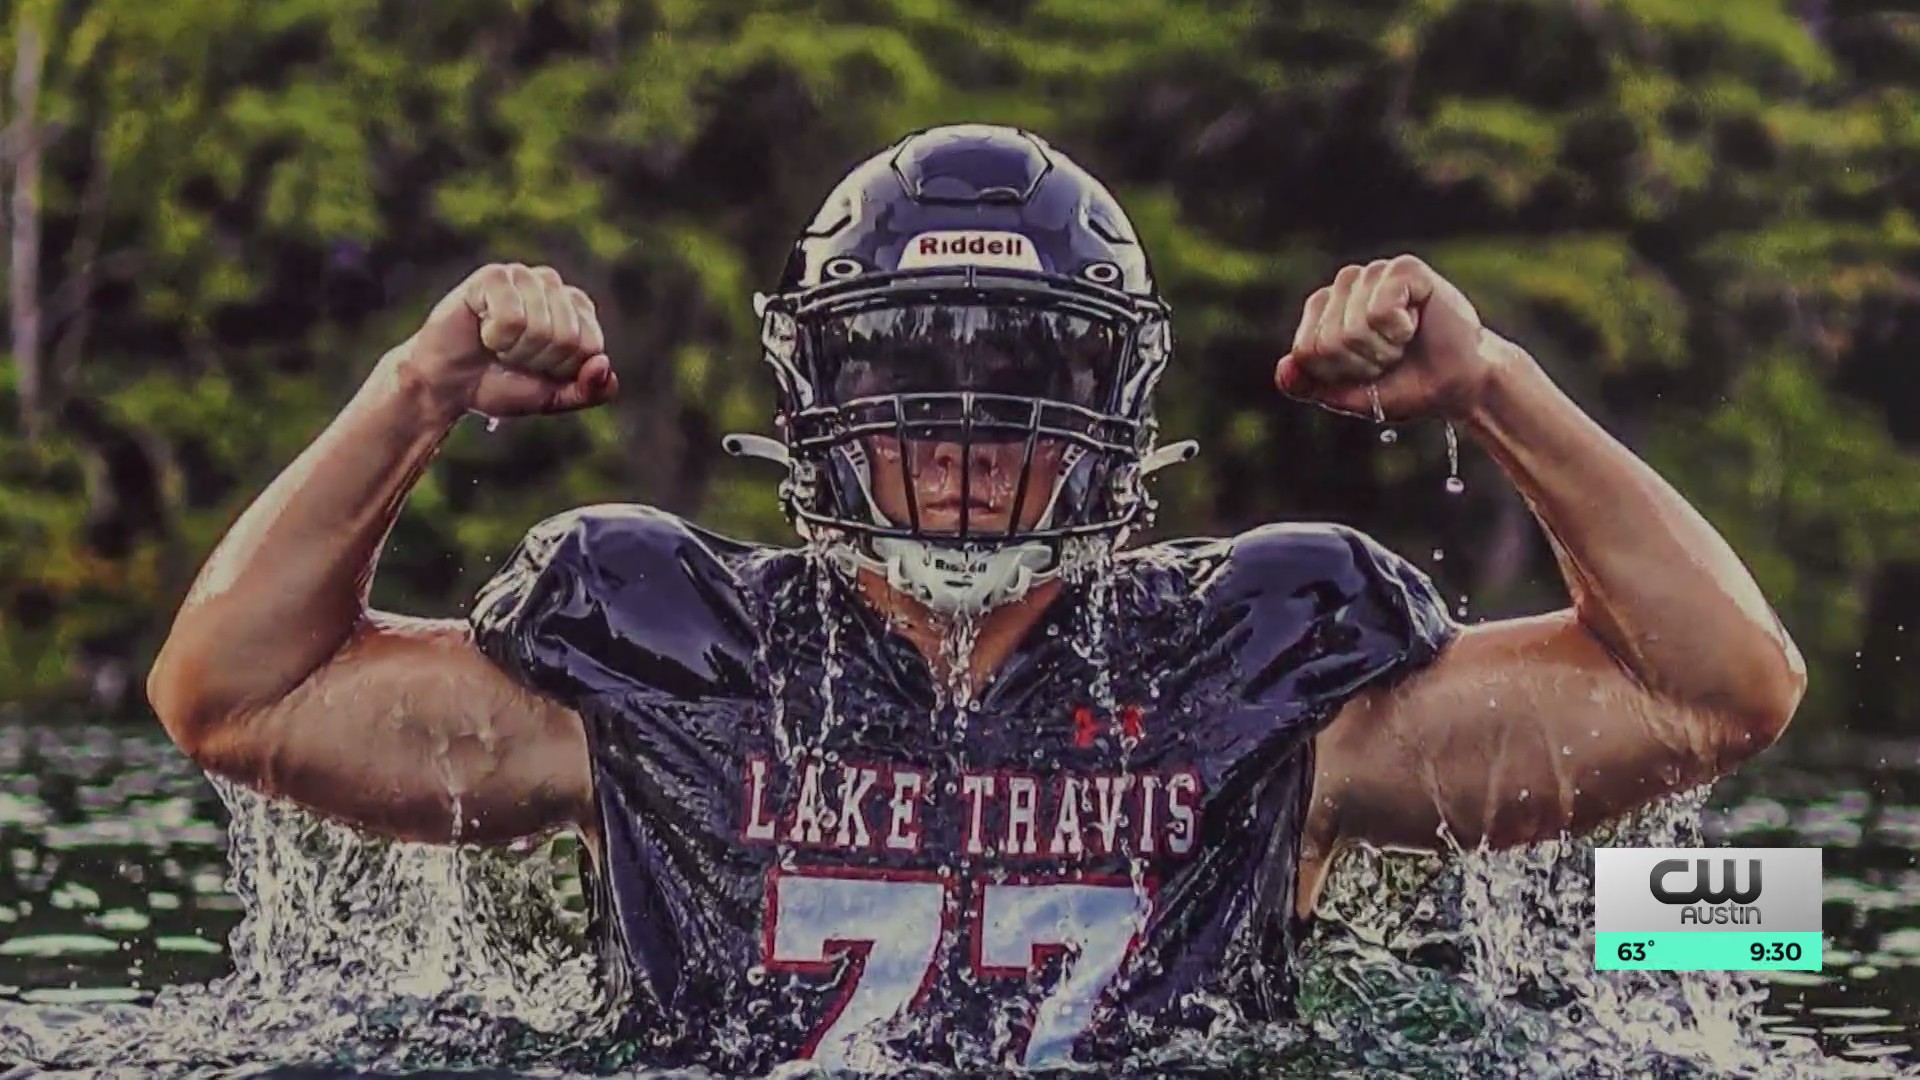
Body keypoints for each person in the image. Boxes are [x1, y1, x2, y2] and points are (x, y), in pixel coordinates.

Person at [147, 124, 1804, 1071]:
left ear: (1111, 402)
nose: (959, 436)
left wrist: (1493, 380)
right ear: (817, 387)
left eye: (1019, 372)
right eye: (904, 373)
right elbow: (235, 698)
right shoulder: (669, 644)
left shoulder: (1250, 662)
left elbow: (1715, 690)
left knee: (1745, 900)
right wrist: (416, 383)